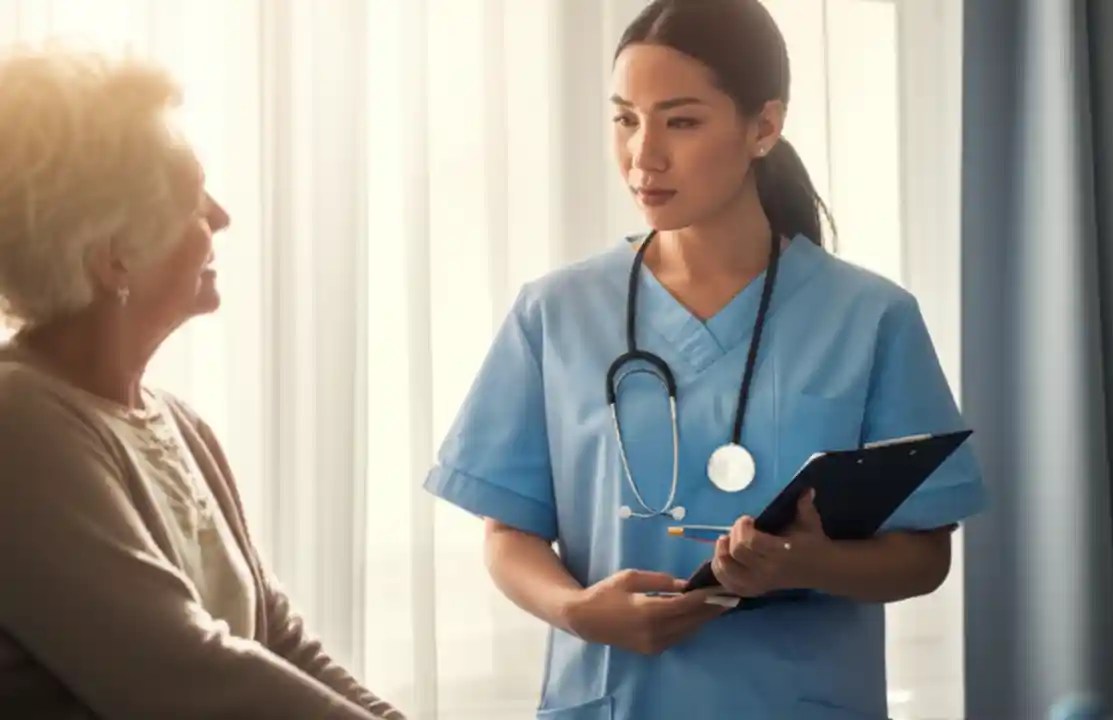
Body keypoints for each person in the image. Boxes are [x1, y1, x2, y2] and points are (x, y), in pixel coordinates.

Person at [423, 0, 986, 717]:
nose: (643, 155)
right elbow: (508, 531)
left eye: (681, 122)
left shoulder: (871, 318)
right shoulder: (555, 313)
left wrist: (809, 564)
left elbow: (925, 555)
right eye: (625, 118)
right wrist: (577, 612)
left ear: (764, 127)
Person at [0, 47, 402, 719]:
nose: (219, 217)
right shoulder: (19, 422)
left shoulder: (178, 422)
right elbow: (186, 673)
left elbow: (281, 641)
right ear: (114, 257)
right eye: (192, 198)